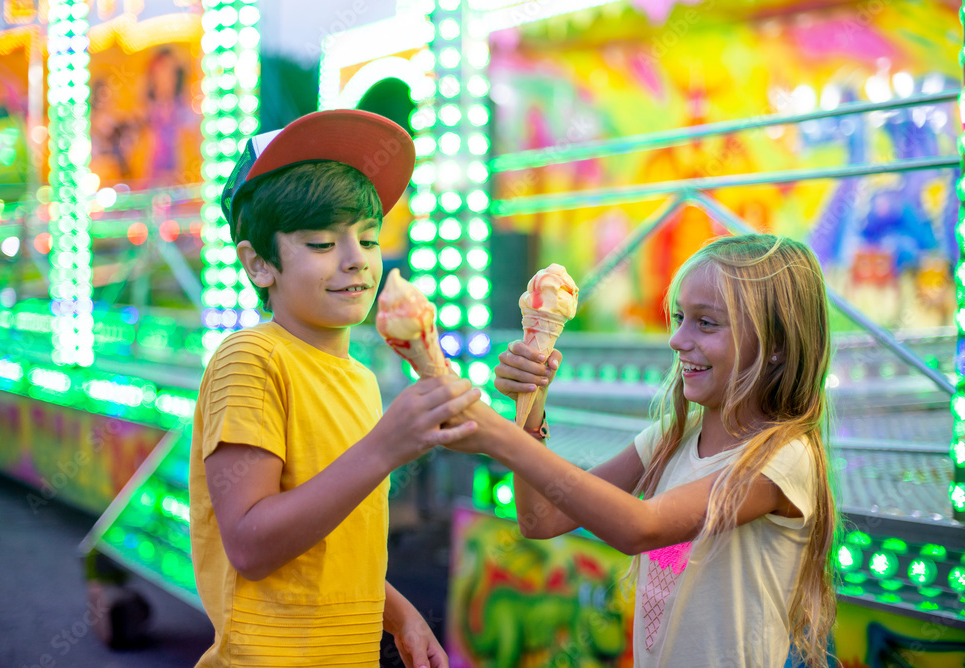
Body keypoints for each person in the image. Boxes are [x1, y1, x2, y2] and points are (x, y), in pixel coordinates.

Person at [449, 234, 837, 667]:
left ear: (778, 346)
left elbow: (641, 528)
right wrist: (530, 410)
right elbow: (541, 519)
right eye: (678, 318)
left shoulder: (784, 458)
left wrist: (500, 439)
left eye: (705, 323)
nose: (677, 340)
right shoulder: (670, 439)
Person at [189, 110, 480, 667]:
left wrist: (400, 614)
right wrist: (385, 448)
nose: (356, 261)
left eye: (368, 239)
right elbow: (250, 544)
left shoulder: (361, 379)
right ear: (258, 264)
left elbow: (329, 547)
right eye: (322, 243)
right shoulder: (251, 358)